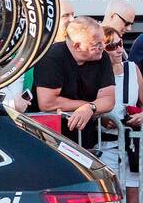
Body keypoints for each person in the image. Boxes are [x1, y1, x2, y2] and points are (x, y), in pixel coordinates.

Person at [97, 25, 143, 203]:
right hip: (107, 145)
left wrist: (142, 115)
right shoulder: (98, 74)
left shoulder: (132, 68)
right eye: (113, 46)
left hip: (131, 144)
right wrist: (102, 118)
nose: (119, 49)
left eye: (120, 43)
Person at [33, 16, 115, 149]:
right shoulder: (52, 57)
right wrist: (86, 106)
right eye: (97, 44)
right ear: (77, 46)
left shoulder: (102, 58)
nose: (102, 47)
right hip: (51, 140)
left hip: (86, 140)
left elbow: (108, 99)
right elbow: (47, 103)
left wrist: (90, 108)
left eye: (103, 42)